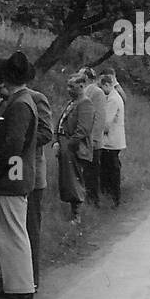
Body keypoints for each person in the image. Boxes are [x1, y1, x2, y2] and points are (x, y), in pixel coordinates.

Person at [0, 52, 38, 299]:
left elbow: (14, 144)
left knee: (13, 233)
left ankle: (19, 289)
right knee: (13, 232)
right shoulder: (23, 100)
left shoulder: (19, 104)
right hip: (14, 177)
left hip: (11, 179)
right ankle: (18, 286)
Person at [22, 55, 53, 290]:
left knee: (31, 226)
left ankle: (32, 278)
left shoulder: (36, 99)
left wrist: (21, 143)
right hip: (17, 173)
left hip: (33, 173)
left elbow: (46, 133)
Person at [55, 75, 93, 222]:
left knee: (74, 180)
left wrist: (69, 145)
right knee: (67, 180)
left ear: (82, 86)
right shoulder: (72, 103)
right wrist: (57, 141)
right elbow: (60, 123)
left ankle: (76, 215)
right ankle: (73, 213)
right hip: (65, 145)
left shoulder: (85, 104)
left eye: (72, 86)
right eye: (68, 86)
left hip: (75, 149)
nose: (68, 89)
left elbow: (83, 129)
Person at [79, 66, 107, 206]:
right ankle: (85, 198)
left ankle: (93, 200)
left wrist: (95, 138)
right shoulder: (81, 91)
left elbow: (100, 117)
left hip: (92, 141)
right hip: (82, 139)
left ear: (88, 77)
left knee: (92, 172)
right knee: (83, 172)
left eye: (81, 75)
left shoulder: (97, 92)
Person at [98, 72, 126, 206]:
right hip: (114, 141)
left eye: (102, 87)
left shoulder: (113, 100)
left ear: (107, 85)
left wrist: (97, 131)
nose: (101, 91)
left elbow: (106, 123)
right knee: (110, 170)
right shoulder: (115, 97)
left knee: (110, 171)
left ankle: (114, 198)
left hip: (110, 142)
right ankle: (112, 197)